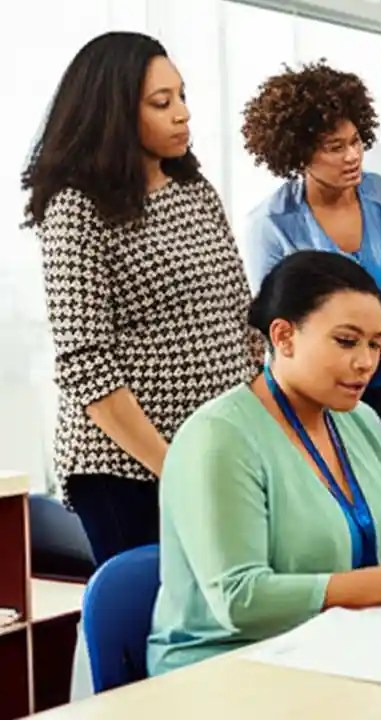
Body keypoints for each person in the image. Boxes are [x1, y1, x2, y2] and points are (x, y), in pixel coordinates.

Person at [148, 251, 381, 676]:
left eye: (374, 344)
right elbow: (241, 600)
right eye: (347, 341)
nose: (366, 362)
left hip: (342, 653)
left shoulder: (362, 422)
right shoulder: (219, 437)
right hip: (225, 670)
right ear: (284, 337)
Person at [22, 32, 261, 566]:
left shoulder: (195, 192)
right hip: (124, 469)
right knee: (152, 623)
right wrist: (173, 465)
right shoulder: (77, 209)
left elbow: (242, 323)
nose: (183, 114)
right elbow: (86, 366)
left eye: (182, 97)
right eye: (161, 102)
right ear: (113, 112)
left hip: (213, 454)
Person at [241, 60, 381, 485]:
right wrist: (369, 336)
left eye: (356, 141)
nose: (352, 155)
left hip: (377, 388)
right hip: (308, 400)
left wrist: (348, 339)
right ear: (298, 153)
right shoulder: (271, 223)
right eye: (334, 147)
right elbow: (276, 329)